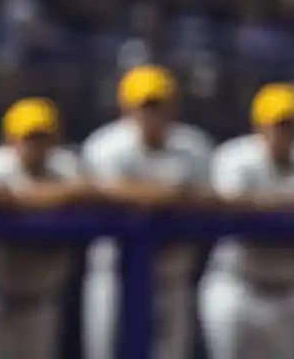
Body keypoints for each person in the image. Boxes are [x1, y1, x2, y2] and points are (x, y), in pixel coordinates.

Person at [81, 65, 214, 359]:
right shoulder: (106, 145)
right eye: (144, 106)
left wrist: (140, 193)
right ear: (125, 107)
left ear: (173, 106)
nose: (152, 115)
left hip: (174, 278)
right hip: (114, 277)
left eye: (159, 105)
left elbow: (208, 200)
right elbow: (96, 192)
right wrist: (171, 194)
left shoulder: (193, 146)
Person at [198, 83, 294, 359]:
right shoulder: (235, 157)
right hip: (238, 288)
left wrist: (271, 201)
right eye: (276, 124)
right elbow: (231, 205)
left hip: (291, 291)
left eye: (289, 125)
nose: (282, 133)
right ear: (258, 125)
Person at [0, 97, 94, 359]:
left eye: (42, 137)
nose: (34, 145)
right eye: (28, 137)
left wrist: (21, 200)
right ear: (10, 138)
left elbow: (89, 193)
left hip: (40, 302)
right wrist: (55, 198)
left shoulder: (65, 167)